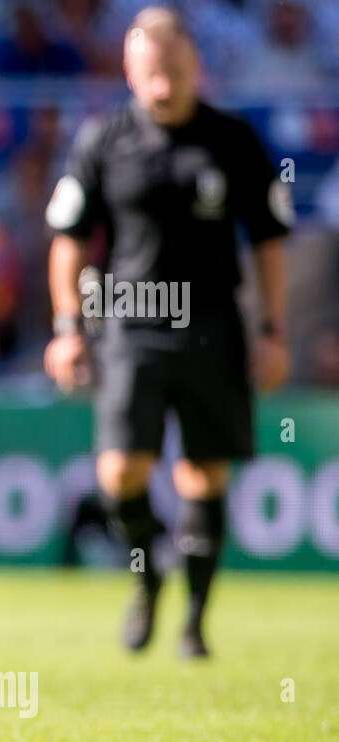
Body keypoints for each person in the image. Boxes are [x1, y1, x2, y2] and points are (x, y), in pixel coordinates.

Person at [43, 6, 292, 658]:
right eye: (151, 71)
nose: (163, 84)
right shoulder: (103, 140)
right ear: (129, 68)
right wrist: (68, 329)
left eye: (174, 70)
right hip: (129, 325)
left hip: (212, 330)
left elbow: (268, 242)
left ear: (194, 66)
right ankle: (147, 575)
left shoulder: (233, 139)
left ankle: (195, 623)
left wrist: (272, 329)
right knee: (121, 473)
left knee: (204, 479)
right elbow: (68, 241)